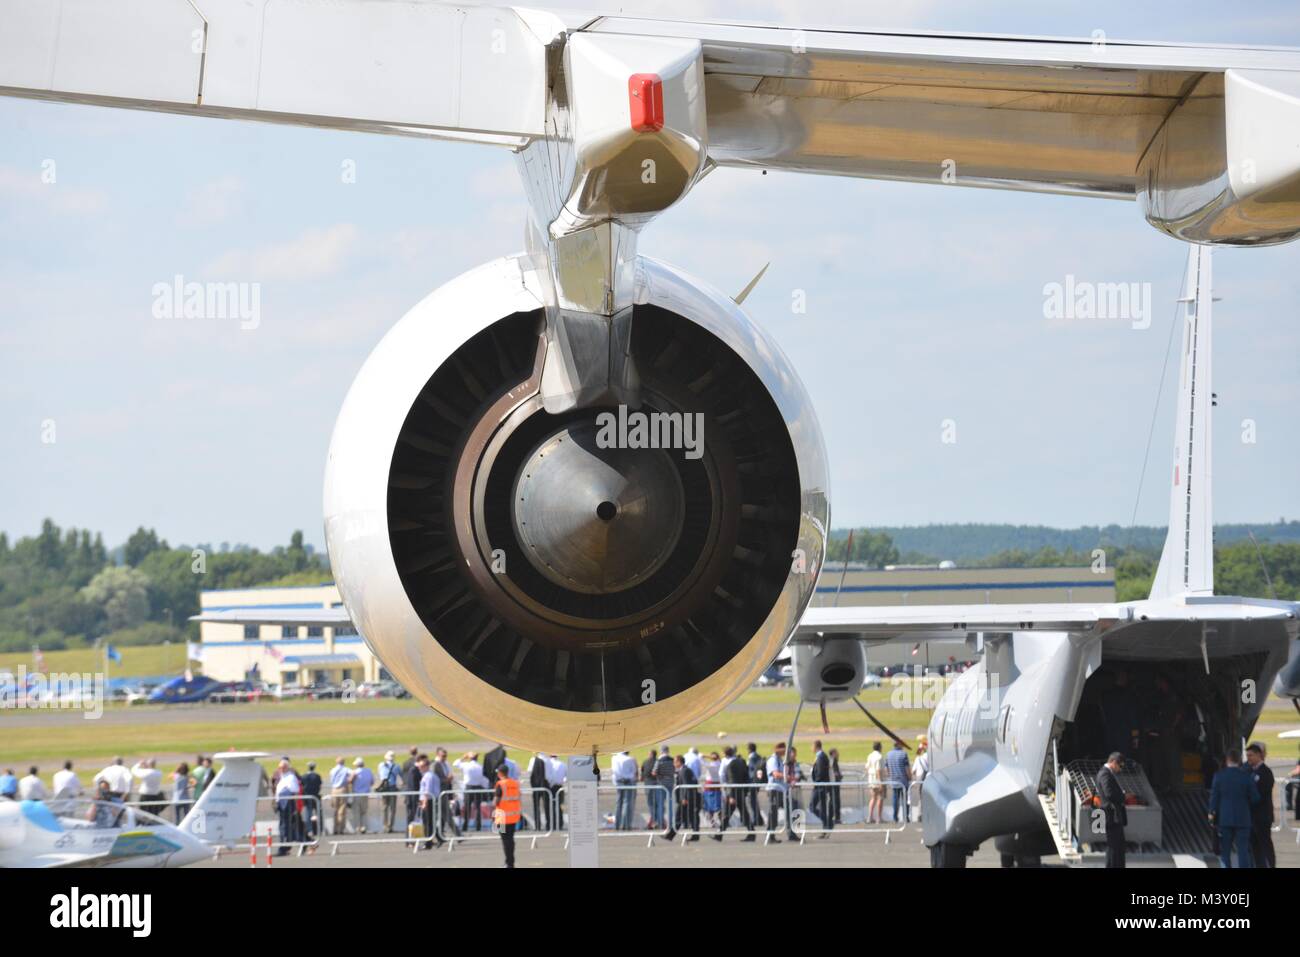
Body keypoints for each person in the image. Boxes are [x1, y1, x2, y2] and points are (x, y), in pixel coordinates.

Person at [1209, 749, 1259, 868]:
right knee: (1243, 850)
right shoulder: (1246, 777)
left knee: (1225, 851)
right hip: (1243, 818)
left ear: (1227, 761)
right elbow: (1255, 798)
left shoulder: (1219, 776)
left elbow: (1214, 798)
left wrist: (1211, 815)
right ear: (1240, 760)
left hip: (1225, 819)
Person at [1245, 742, 1275, 869]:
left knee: (1265, 843)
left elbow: (1261, 794)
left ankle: (1270, 865)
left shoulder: (1266, 772)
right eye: (1247, 755)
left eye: (1251, 755)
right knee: (1254, 845)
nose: (1248, 758)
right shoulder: (1248, 771)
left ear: (1258, 755)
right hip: (1251, 816)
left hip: (1262, 816)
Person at [1097, 752, 1128, 869]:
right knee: (1114, 846)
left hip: (1114, 816)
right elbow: (1109, 793)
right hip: (1111, 816)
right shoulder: (1105, 774)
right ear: (1114, 762)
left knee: (1118, 845)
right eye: (1121, 766)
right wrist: (1123, 796)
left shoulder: (1107, 774)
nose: (1120, 769)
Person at [722, 745, 755, 841]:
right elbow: (746, 777)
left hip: (734, 793)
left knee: (728, 812)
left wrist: (732, 795)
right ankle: (751, 832)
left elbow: (732, 780)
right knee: (743, 813)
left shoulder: (731, 765)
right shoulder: (741, 762)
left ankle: (720, 833)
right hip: (740, 791)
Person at [493, 764, 521, 867]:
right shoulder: (515, 783)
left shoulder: (500, 784)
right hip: (513, 816)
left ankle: (509, 862)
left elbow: (496, 801)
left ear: (500, 773)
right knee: (510, 839)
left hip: (502, 818)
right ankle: (510, 861)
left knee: (505, 841)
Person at [455, 751, 489, 832]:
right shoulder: (480, 767)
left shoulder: (466, 765)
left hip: (469, 787)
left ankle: (465, 825)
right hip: (478, 787)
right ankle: (478, 826)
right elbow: (483, 779)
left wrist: (464, 757)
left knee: (467, 807)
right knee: (477, 808)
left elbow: (456, 763)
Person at [415, 754, 444, 849]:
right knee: (430, 822)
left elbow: (427, 791)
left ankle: (429, 842)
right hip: (429, 800)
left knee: (427, 823)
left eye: (422, 766)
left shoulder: (428, 776)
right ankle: (437, 839)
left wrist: (424, 803)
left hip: (429, 801)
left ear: (426, 766)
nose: (420, 768)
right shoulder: (430, 775)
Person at [274, 759, 301, 856]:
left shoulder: (291, 777)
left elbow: (294, 789)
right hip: (281, 804)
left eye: (281, 767)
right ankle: (284, 846)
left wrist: (284, 793)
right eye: (279, 767)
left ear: (286, 767)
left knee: (285, 826)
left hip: (287, 804)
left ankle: (284, 847)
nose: (279, 769)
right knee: (283, 826)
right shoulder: (283, 777)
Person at [766, 741, 788, 841]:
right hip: (774, 789)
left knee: (788, 808)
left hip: (780, 789)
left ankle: (773, 834)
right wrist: (787, 777)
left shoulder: (780, 760)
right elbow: (775, 774)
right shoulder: (773, 760)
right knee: (773, 812)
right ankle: (770, 834)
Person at [611, 750, 638, 831]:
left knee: (618, 803)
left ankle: (617, 825)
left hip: (619, 782)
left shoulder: (614, 758)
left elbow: (614, 771)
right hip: (628, 781)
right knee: (626, 803)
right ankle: (625, 825)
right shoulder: (630, 759)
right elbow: (633, 772)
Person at [654, 746, 677, 839]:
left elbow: (654, 772)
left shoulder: (659, 760)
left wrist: (659, 775)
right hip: (670, 783)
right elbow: (675, 770)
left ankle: (661, 823)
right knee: (670, 804)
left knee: (661, 804)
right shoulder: (672, 760)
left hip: (662, 783)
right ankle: (670, 823)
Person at [810, 741, 833, 836]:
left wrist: (816, 782)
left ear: (816, 746)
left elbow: (820, 773)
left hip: (820, 787)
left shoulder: (821, 757)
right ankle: (826, 826)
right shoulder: (821, 756)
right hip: (821, 786)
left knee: (812, 807)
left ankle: (827, 822)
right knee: (822, 808)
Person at [675, 754, 700, 840]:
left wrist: (684, 798)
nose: (674, 764)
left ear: (679, 762)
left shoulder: (684, 771)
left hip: (687, 798)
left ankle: (670, 834)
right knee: (690, 817)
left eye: (675, 762)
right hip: (688, 797)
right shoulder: (685, 770)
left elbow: (686, 785)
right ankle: (695, 835)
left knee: (680, 816)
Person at [376, 750, 402, 833]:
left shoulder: (381, 765)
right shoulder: (397, 766)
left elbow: (380, 775)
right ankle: (391, 826)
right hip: (392, 787)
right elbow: (401, 775)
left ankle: (385, 825)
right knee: (392, 808)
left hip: (384, 787)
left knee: (385, 807)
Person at [885, 739, 910, 822]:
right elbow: (907, 768)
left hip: (893, 780)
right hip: (903, 780)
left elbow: (886, 768)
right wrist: (909, 777)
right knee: (905, 800)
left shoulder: (888, 754)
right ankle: (906, 816)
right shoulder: (903, 754)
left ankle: (895, 817)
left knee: (895, 799)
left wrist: (890, 775)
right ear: (899, 744)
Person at [528, 753, 552, 831]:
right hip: (545, 784)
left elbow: (530, 771)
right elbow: (550, 774)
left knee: (536, 806)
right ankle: (548, 825)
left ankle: (537, 825)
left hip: (536, 784)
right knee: (547, 806)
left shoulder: (533, 759)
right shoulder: (548, 760)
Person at [350, 757, 374, 834]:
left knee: (357, 811)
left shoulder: (355, 772)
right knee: (364, 811)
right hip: (365, 794)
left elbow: (350, 781)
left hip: (357, 794)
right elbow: (372, 782)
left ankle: (358, 827)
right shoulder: (368, 771)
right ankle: (363, 826)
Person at [328, 756, 351, 835]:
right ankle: (341, 828)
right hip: (342, 789)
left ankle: (335, 828)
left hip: (334, 790)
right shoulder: (345, 769)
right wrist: (349, 780)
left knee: (335, 809)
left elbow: (331, 779)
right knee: (342, 809)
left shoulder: (333, 770)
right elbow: (353, 773)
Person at [701, 751, 723, 833]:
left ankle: (713, 820)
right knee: (716, 803)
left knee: (709, 804)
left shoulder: (711, 765)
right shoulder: (719, 763)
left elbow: (701, 758)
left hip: (710, 785)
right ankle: (716, 820)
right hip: (716, 784)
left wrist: (707, 756)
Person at [301, 761, 322, 841]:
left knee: (308, 815)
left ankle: (309, 830)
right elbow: (319, 785)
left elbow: (302, 786)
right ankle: (319, 829)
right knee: (318, 814)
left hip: (307, 797)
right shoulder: (317, 776)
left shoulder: (304, 776)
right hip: (316, 796)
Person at [641, 749, 661, 829]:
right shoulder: (658, 762)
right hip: (658, 785)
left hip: (649, 785)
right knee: (657, 804)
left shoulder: (646, 762)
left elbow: (643, 773)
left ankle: (653, 821)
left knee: (651, 805)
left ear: (651, 754)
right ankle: (657, 821)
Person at [747, 743, 766, 829]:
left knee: (752, 801)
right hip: (757, 781)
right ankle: (758, 818)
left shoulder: (752, 758)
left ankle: (757, 819)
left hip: (753, 782)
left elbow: (753, 771)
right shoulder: (758, 756)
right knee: (753, 800)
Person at [546, 753, 567, 830]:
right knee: (559, 806)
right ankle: (560, 823)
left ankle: (552, 824)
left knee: (550, 806)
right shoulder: (562, 764)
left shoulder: (548, 763)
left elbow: (548, 776)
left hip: (550, 787)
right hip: (559, 786)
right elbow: (566, 776)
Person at [865, 742, 884, 824]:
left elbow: (866, 767)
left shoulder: (870, 755)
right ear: (880, 747)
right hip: (877, 778)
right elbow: (878, 770)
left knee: (873, 797)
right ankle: (878, 818)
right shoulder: (879, 757)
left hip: (871, 778)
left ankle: (870, 816)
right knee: (880, 798)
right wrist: (880, 782)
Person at [829, 748, 844, 824]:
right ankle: (836, 817)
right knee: (835, 801)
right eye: (836, 753)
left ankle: (833, 816)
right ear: (833, 753)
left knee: (833, 801)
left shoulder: (833, 761)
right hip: (834, 784)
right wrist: (839, 776)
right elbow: (834, 772)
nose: (838, 754)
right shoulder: (832, 761)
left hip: (834, 783)